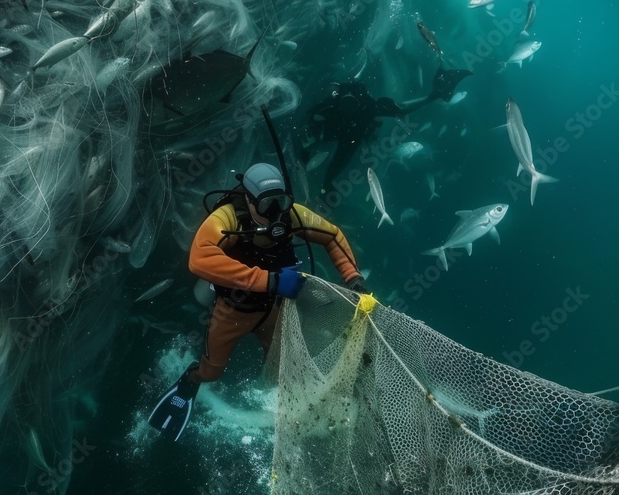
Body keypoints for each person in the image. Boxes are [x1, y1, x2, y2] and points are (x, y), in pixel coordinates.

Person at [147, 162, 366, 440]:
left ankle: (280, 408)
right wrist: (270, 281)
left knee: (281, 366)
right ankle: (190, 381)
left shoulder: (291, 215)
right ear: (249, 200)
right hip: (232, 311)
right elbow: (199, 258)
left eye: (281, 202)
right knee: (212, 371)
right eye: (266, 205)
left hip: (273, 309)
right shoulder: (227, 218)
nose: (275, 213)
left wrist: (353, 277)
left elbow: (332, 235)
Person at [303, 65, 472, 189]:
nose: (349, 106)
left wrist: (432, 96)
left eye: (352, 103)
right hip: (335, 130)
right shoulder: (330, 105)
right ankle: (316, 178)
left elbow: (399, 108)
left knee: (336, 166)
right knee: (313, 150)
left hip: (352, 135)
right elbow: (311, 115)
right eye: (345, 102)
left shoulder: (367, 106)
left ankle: (324, 188)